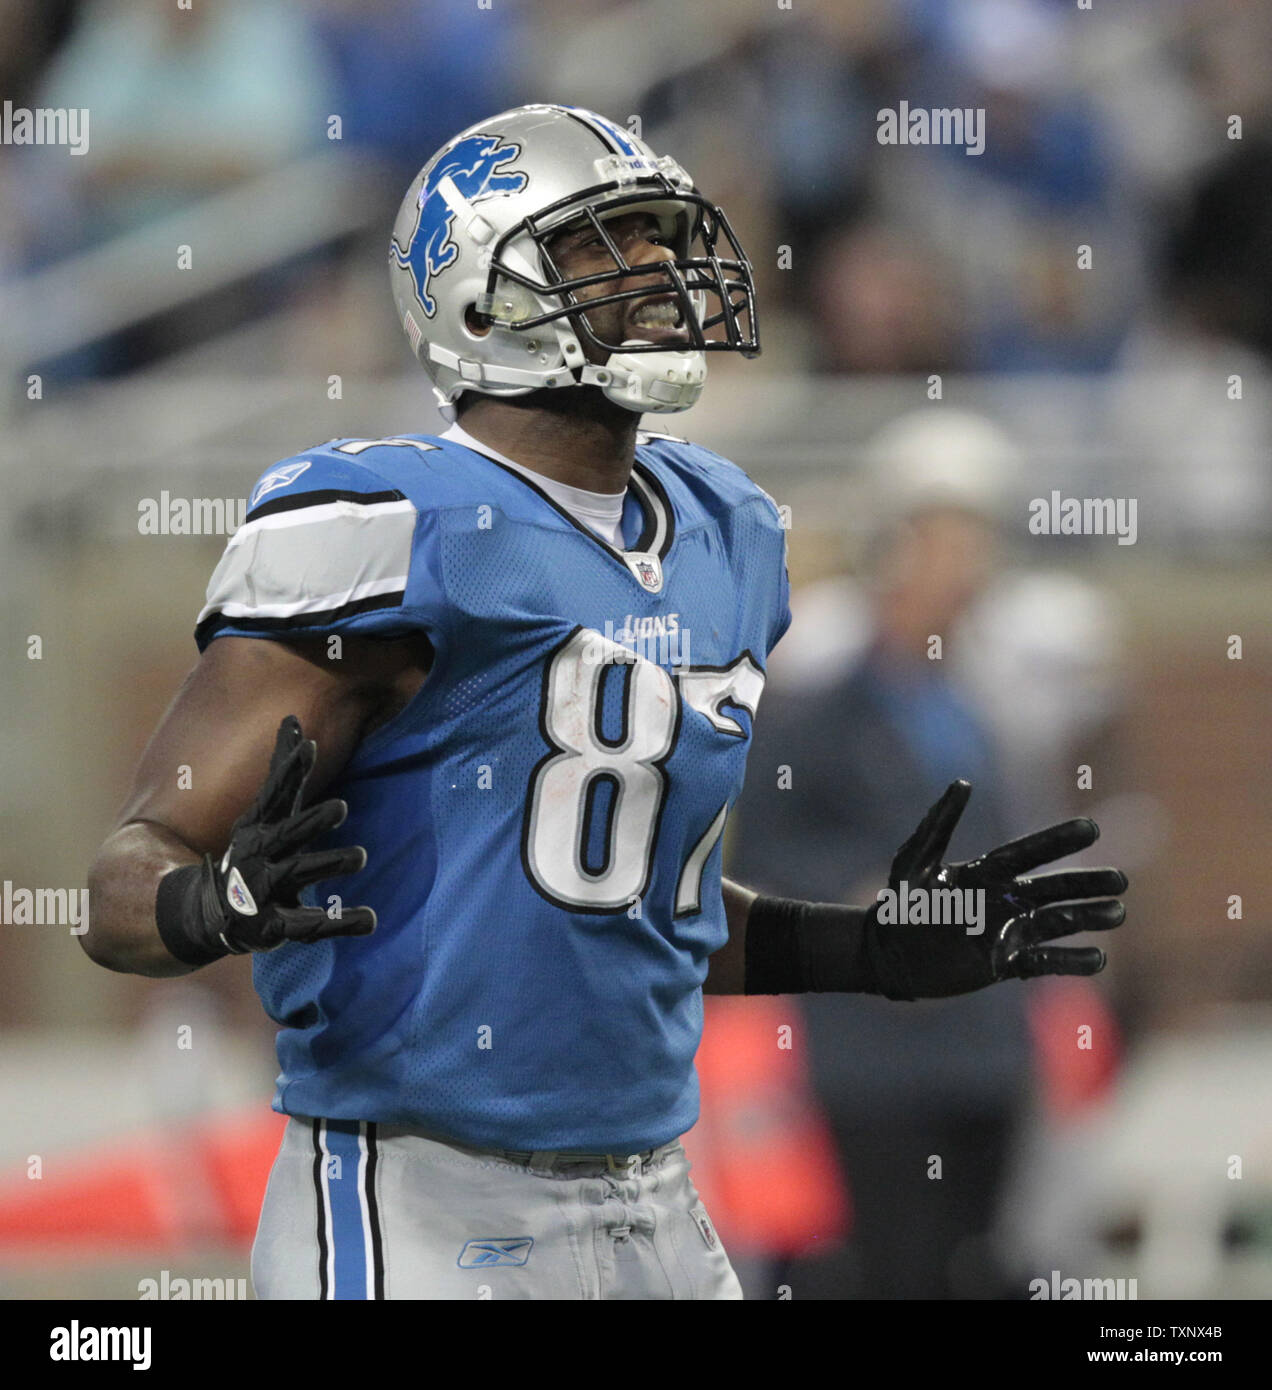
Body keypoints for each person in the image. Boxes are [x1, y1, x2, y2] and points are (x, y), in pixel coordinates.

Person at [82, 104, 1127, 1301]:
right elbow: (122, 882)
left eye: (659, 240)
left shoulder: (729, 531)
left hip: (654, 1197)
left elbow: (636, 904)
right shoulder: (389, 528)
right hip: (420, 1194)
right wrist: (209, 901)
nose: (655, 275)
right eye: (602, 247)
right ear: (475, 298)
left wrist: (866, 948)